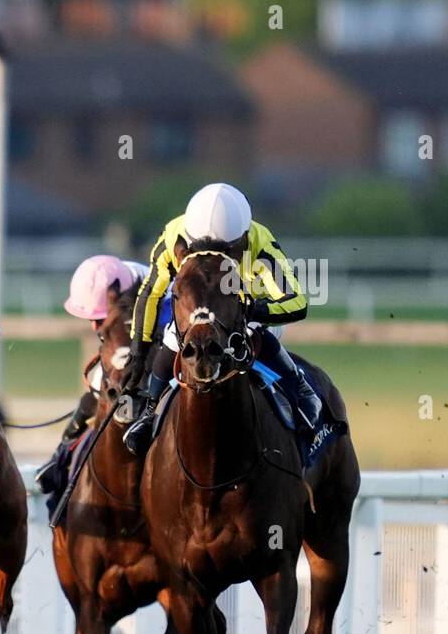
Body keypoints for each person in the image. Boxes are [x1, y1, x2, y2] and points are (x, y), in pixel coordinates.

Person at [121, 182, 321, 455]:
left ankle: (299, 388)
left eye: (223, 251)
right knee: (171, 341)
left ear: (240, 239)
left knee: (257, 333)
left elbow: (296, 303)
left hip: (241, 306)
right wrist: (137, 353)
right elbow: (150, 294)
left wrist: (253, 311)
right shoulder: (173, 236)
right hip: (196, 308)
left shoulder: (259, 241)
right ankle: (149, 411)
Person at [34, 255, 146, 497]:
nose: (94, 327)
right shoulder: (118, 280)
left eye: (98, 319)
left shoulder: (155, 290)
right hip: (127, 345)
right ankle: (61, 455)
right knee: (94, 394)